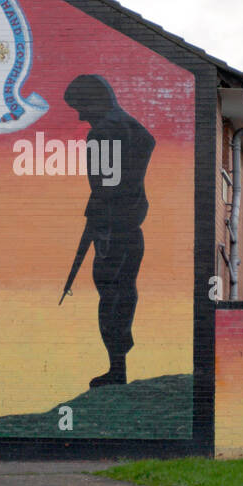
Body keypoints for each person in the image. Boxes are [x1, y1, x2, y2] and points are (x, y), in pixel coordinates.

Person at [62, 75, 155, 388]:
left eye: (81, 106)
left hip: (111, 230)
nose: (79, 115)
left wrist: (98, 217)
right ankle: (120, 366)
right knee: (125, 293)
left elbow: (103, 186)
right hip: (132, 227)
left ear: (95, 101)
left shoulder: (102, 133)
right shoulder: (136, 130)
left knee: (110, 297)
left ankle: (117, 369)